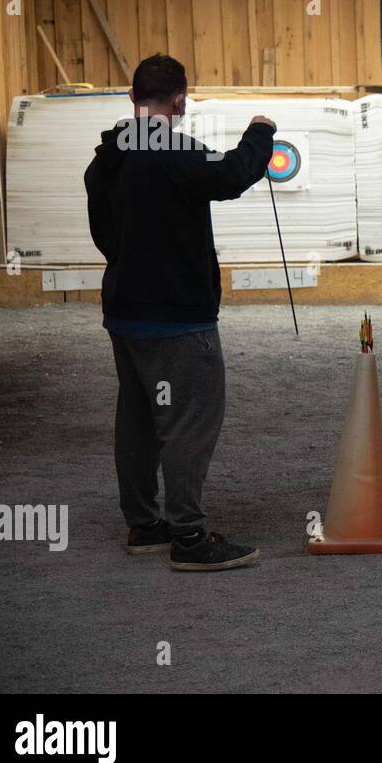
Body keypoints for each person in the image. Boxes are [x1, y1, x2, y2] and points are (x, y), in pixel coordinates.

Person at [84, 53, 274, 572]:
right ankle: (189, 536)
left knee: (140, 418)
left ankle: (145, 525)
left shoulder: (107, 157)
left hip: (124, 309)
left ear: (131, 97)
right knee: (188, 422)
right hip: (176, 318)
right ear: (180, 99)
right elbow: (233, 174)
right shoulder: (170, 148)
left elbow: (103, 235)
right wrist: (261, 133)